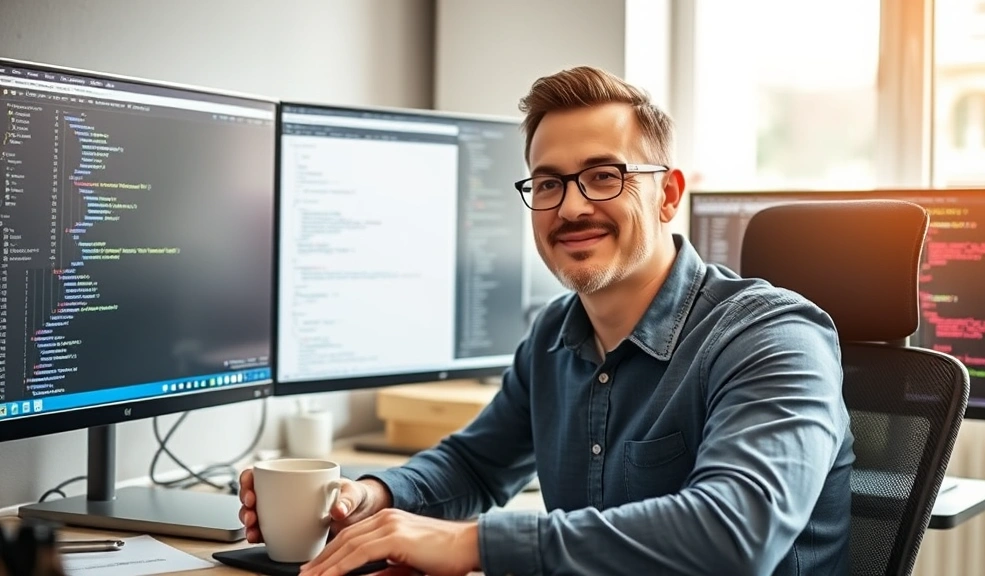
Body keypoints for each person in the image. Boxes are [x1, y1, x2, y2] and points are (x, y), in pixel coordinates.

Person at [239, 66, 854, 576]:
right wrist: (368, 499)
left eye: (604, 176)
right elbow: (474, 466)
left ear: (668, 195)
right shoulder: (556, 336)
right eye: (549, 183)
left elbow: (735, 534)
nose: (573, 206)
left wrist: (471, 544)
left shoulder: (771, 337)